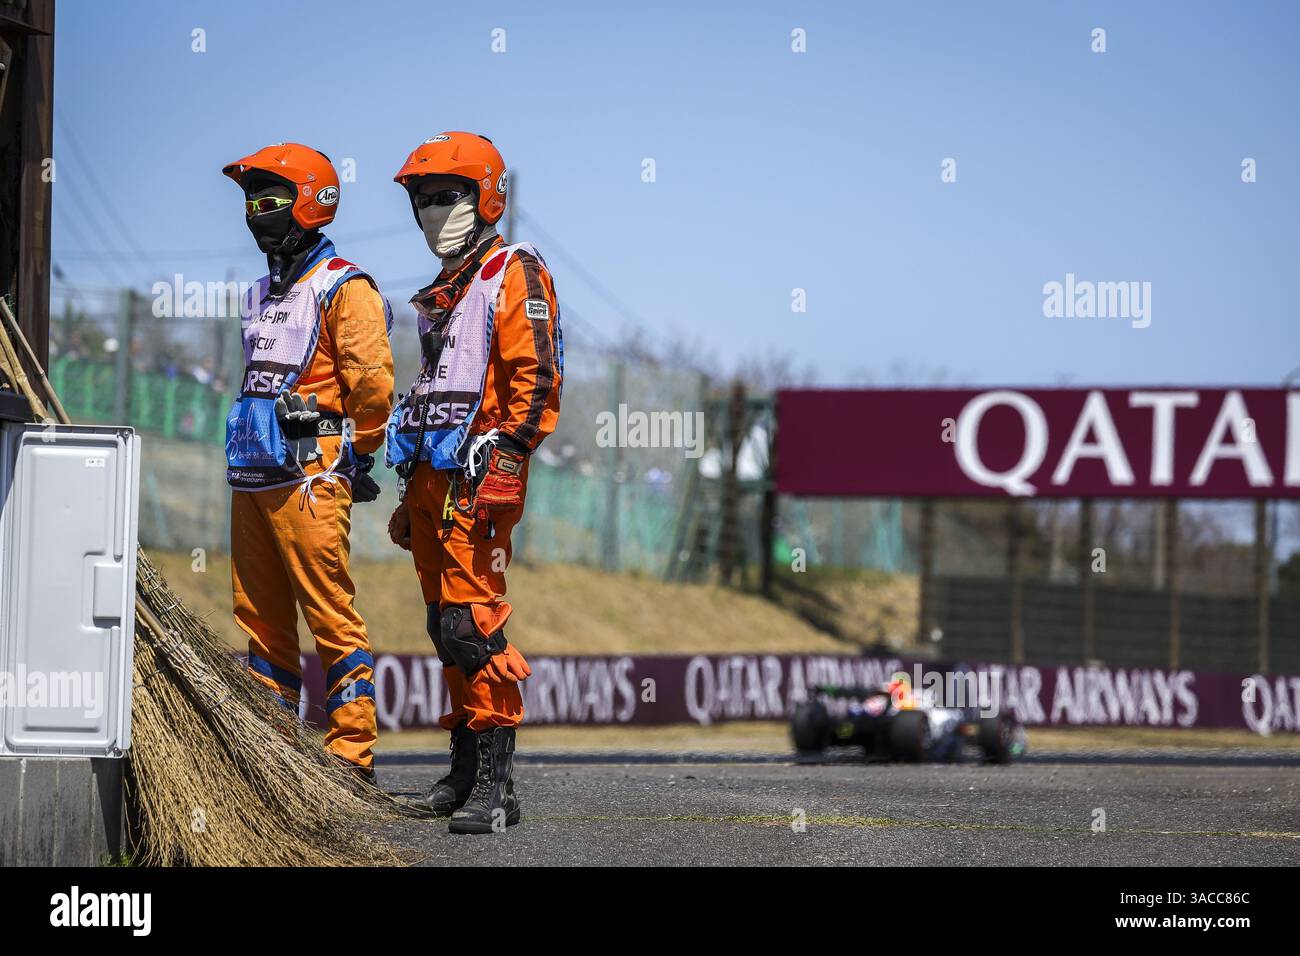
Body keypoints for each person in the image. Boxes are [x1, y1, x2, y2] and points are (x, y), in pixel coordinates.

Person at [385, 131, 563, 833]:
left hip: (478, 481)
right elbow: (436, 390)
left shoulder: (511, 269)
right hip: (430, 478)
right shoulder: (445, 292)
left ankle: (499, 786)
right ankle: (463, 772)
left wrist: (510, 453)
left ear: (485, 196)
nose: (434, 211)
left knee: (470, 623)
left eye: (448, 196)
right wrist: (407, 494)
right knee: (441, 626)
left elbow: (538, 377)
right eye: (424, 199)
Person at [222, 143, 395, 781]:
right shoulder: (257, 293)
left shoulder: (345, 287)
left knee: (328, 609)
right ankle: (275, 752)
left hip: (310, 475)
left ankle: (352, 753)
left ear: (309, 203)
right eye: (249, 200)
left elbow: (372, 385)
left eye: (268, 200)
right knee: (260, 617)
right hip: (251, 470)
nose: (254, 212)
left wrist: (355, 452)